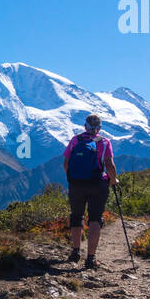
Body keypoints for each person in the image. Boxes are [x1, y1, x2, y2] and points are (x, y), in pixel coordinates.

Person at [62, 114, 118, 268]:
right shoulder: (104, 142)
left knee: (76, 216)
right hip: (97, 184)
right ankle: (91, 258)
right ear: (99, 128)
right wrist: (113, 180)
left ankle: (75, 252)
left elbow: (66, 162)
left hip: (76, 184)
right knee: (95, 218)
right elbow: (109, 164)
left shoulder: (75, 140)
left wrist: (72, 178)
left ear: (85, 126)